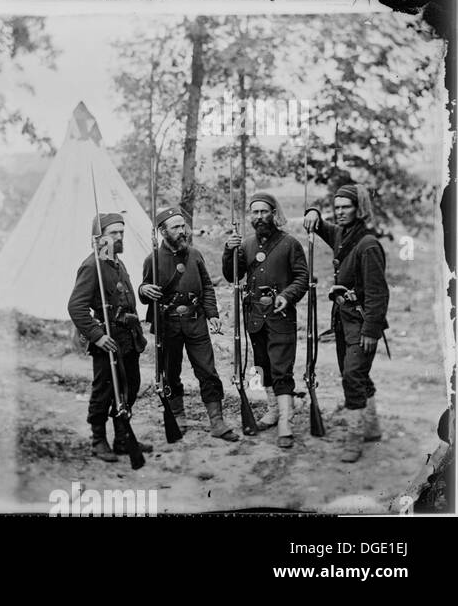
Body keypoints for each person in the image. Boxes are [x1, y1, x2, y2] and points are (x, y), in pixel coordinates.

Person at [302, 184, 389, 463]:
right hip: (343, 322)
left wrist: (372, 331)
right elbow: (321, 226)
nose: (340, 212)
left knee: (352, 376)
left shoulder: (368, 244)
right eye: (336, 207)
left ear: (358, 209)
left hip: (362, 324)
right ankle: (372, 427)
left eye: (346, 207)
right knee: (355, 373)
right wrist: (314, 211)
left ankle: (355, 439)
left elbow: (378, 293)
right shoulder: (342, 234)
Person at [138, 206, 238, 442]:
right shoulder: (152, 259)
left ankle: (217, 421)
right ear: (163, 232)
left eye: (183, 226)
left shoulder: (195, 255)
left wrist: (212, 314)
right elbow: (144, 292)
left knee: (208, 371)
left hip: (196, 323)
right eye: (176, 227)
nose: (182, 231)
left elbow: (207, 287)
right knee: (170, 374)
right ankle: (178, 416)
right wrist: (143, 289)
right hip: (168, 326)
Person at [223, 192, 309, 448]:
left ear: (274, 214)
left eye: (264, 212)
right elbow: (231, 276)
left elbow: (302, 278)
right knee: (262, 366)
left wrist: (287, 295)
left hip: (280, 316)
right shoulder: (246, 244)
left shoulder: (290, 244)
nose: (259, 217)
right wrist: (229, 251)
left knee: (282, 368)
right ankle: (272, 411)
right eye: (255, 212)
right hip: (255, 318)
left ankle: (286, 421)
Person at [67, 213, 149, 462]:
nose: (119, 237)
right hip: (108, 340)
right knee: (104, 390)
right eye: (113, 233)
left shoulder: (117, 263)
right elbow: (76, 306)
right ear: (98, 237)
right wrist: (97, 336)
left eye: (121, 232)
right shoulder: (92, 266)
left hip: (128, 338)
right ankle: (98, 440)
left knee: (130, 387)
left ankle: (122, 438)